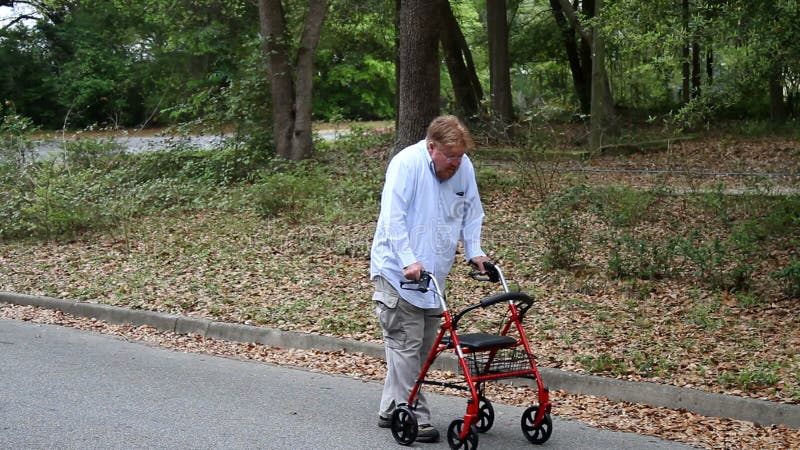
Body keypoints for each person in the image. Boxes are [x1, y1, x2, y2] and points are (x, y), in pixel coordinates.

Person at [370, 115, 490, 443]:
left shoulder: (463, 167)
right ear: (431, 146)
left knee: (421, 349)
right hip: (397, 274)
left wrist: (474, 251)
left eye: (460, 157)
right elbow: (392, 218)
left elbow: (472, 211)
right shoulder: (406, 164)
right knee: (407, 347)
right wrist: (408, 260)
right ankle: (417, 417)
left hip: (434, 277)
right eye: (449, 157)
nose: (455, 164)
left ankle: (390, 408)